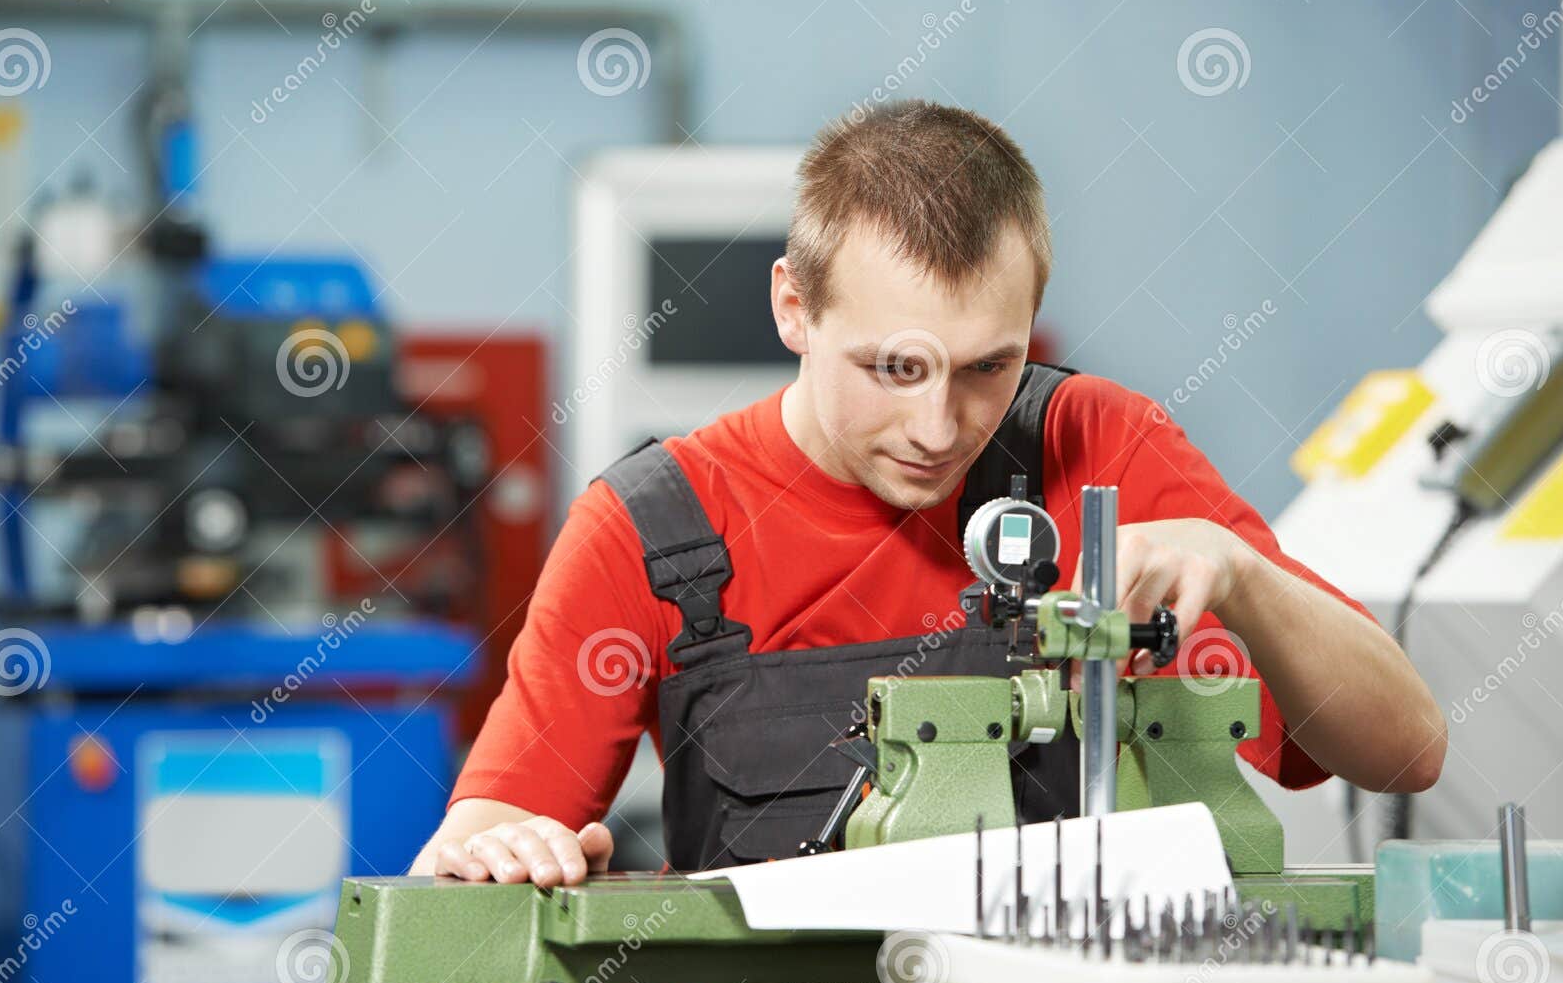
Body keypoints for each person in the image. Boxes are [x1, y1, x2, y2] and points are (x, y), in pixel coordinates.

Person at [411, 100, 1444, 888]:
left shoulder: (1099, 446)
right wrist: (494, 852)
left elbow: (1406, 752)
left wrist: (1244, 576)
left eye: (987, 367)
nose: (938, 428)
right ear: (793, 307)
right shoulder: (653, 529)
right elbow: (478, 844)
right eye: (893, 369)